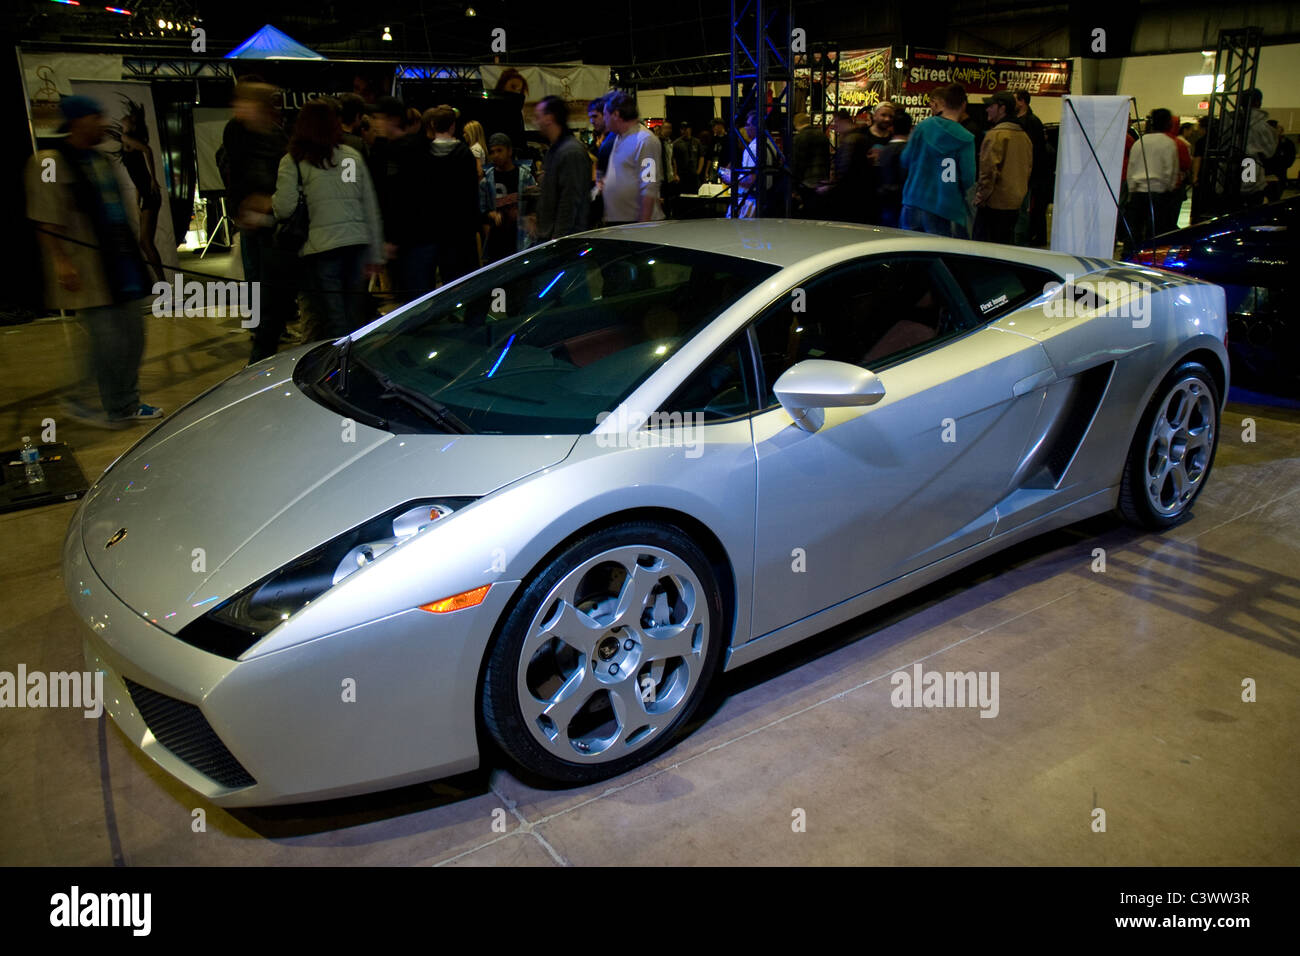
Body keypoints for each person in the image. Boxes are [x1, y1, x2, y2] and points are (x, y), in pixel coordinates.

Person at [26, 95, 162, 426]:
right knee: (107, 343)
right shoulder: (50, 161)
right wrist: (61, 261)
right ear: (77, 122)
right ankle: (90, 401)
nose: (102, 123)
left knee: (132, 338)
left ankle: (127, 402)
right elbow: (46, 217)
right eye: (94, 117)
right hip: (91, 269)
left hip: (122, 264)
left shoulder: (100, 160)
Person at [273, 99, 383, 340]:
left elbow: (284, 208)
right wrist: (376, 253)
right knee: (355, 315)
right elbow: (368, 204)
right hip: (356, 245)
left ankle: (338, 368)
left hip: (321, 248)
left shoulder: (293, 161)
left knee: (333, 319)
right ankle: (356, 363)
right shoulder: (350, 157)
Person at [223, 80, 300, 362]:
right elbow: (237, 172)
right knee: (260, 283)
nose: (238, 108)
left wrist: (268, 201)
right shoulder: (238, 132)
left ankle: (265, 339)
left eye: (244, 102)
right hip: (256, 224)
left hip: (274, 225)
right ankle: (262, 339)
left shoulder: (275, 136)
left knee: (271, 290)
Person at [390, 104, 480, 297]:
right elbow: (471, 195)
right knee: (461, 283)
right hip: (460, 230)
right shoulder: (464, 154)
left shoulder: (424, 153)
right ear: (453, 126)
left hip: (432, 230)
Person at [899, 84, 976, 238]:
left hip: (913, 201)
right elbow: (968, 178)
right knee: (938, 256)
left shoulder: (922, 127)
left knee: (909, 255)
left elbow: (905, 160)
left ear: (944, 103)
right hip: (945, 207)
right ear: (963, 105)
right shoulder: (966, 138)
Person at [105, 96, 164, 283]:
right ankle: (161, 283)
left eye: (128, 117)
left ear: (131, 123)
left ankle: (163, 284)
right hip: (146, 193)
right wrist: (138, 199)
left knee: (146, 242)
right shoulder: (127, 141)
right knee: (145, 242)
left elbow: (148, 150)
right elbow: (138, 173)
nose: (124, 118)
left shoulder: (128, 139)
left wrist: (153, 179)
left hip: (150, 193)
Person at [974, 92, 1032, 245]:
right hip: (1015, 203)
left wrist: (980, 197)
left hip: (994, 205)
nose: (987, 109)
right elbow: (1028, 169)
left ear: (1002, 108)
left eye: (991, 106)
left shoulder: (996, 135)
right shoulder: (1024, 136)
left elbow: (988, 171)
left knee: (986, 250)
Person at [534, 94, 592, 240]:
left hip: (565, 241)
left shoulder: (570, 152)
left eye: (539, 116)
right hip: (552, 237)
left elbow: (570, 202)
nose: (537, 121)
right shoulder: (556, 150)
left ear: (549, 118)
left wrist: (558, 241)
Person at [601, 92, 664, 224]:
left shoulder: (645, 140)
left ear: (616, 115)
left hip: (636, 224)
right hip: (620, 221)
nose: (604, 119)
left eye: (605, 114)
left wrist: (642, 225)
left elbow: (649, 184)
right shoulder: (619, 138)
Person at [1125, 109, 1180, 244]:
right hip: (1158, 193)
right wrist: (1169, 188)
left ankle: (1130, 254)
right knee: (1155, 231)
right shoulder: (1168, 143)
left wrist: (1131, 190)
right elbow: (1170, 170)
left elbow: (1131, 168)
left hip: (1138, 192)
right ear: (1168, 123)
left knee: (1135, 229)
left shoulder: (1140, 142)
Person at [479, 132, 536, 262]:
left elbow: (534, 203)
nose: (496, 155)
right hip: (498, 243)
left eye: (499, 150)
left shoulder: (524, 176)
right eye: (492, 152)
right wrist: (491, 214)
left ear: (509, 151)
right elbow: (481, 210)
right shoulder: (487, 181)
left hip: (521, 239)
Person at [819, 109, 873, 223]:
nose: (835, 127)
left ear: (843, 121)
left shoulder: (850, 140)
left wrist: (830, 187)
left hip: (850, 195)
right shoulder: (860, 136)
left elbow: (845, 171)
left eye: (837, 122)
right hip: (861, 193)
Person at [1012, 90, 1048, 246]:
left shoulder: (1031, 122)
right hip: (1023, 174)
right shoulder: (1019, 121)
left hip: (1029, 175)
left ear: (1022, 102)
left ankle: (1023, 240)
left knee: (1025, 210)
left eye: (1015, 100)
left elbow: (1034, 151)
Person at [1241, 89, 1278, 207]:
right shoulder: (1262, 126)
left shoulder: (1230, 121)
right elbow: (1269, 151)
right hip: (1250, 163)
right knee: (1249, 197)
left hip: (1230, 167)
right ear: (1258, 102)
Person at [875, 109, 911, 228]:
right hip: (906, 200)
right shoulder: (912, 150)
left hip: (887, 200)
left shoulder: (885, 150)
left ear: (892, 128)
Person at [791, 112, 830, 217]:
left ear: (796, 124)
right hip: (822, 181)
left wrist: (793, 187)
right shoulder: (822, 136)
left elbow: (797, 163)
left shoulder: (799, 138)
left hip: (806, 182)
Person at [587, 95, 615, 228]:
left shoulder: (615, 140)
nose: (591, 121)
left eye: (595, 116)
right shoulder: (601, 141)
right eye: (590, 117)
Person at [673, 121, 704, 196]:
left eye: (686, 129)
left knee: (696, 195)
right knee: (683, 195)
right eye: (683, 129)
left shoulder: (697, 142)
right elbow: (673, 160)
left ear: (690, 130)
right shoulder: (676, 143)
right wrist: (675, 174)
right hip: (682, 175)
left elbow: (701, 156)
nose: (685, 131)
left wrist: (698, 171)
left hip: (694, 174)